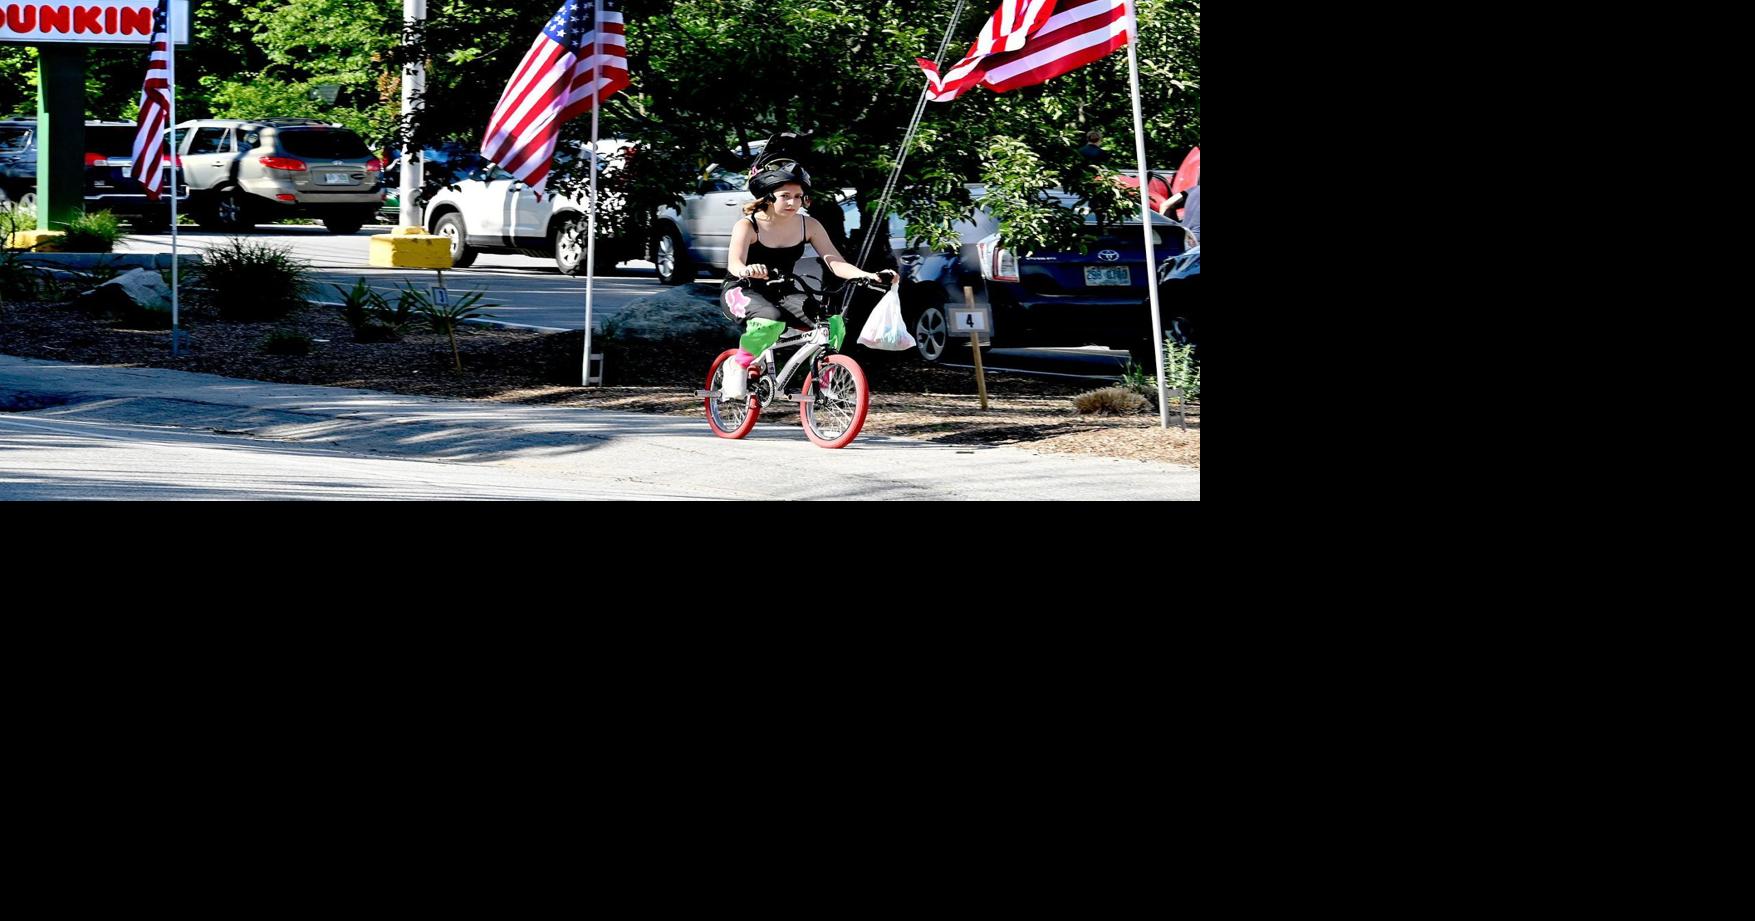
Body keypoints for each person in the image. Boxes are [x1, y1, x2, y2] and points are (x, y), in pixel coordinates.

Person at [718, 158, 892, 399]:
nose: (793, 202)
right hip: (742, 289)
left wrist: (868, 275)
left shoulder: (808, 225)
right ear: (768, 197)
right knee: (770, 320)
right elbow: (735, 264)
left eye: (799, 196)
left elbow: (835, 262)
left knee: (832, 324)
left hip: (782, 289)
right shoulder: (748, 225)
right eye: (785, 196)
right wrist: (748, 270)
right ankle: (738, 364)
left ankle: (824, 381)